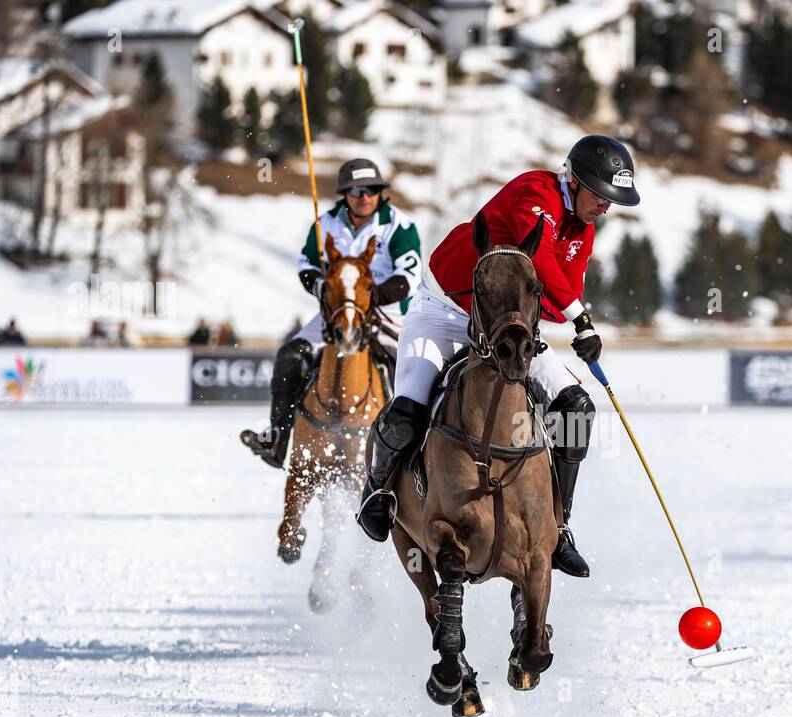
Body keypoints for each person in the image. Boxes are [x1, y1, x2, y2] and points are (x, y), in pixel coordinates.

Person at [355, 135, 640, 578]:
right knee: (408, 406)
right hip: (445, 312)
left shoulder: (582, 232)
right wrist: (581, 319)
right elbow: (541, 261)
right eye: (602, 196)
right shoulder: (534, 193)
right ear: (577, 180)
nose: (606, 206)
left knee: (575, 408)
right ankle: (378, 493)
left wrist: (567, 321)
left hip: (506, 328)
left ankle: (558, 525)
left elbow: (560, 291)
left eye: (611, 200)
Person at [241, 158, 422, 469]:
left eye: (371, 190)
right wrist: (321, 286)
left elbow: (410, 273)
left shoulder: (398, 225)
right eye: (356, 191)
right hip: (335, 315)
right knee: (289, 355)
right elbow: (306, 264)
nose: (364, 197)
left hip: (388, 315)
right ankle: (278, 438)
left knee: (411, 371)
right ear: (345, 194)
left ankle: (414, 450)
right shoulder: (326, 223)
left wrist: (371, 295)